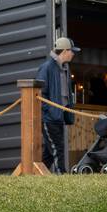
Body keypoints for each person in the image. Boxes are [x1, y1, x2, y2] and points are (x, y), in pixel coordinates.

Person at [36, 36, 79, 172]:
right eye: (72, 51)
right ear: (65, 51)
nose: (73, 54)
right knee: (58, 147)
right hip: (50, 118)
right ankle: (62, 175)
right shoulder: (47, 67)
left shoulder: (65, 68)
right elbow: (41, 93)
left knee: (50, 151)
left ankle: (37, 175)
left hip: (59, 117)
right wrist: (50, 111)